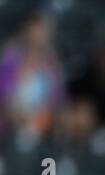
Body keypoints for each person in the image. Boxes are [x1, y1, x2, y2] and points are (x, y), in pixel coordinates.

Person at [0, 7, 64, 139]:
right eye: (35, 29)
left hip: (42, 126)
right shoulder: (10, 60)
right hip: (10, 124)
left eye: (43, 30)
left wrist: (42, 119)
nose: (38, 35)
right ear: (26, 30)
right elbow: (3, 97)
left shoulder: (52, 65)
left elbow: (57, 101)